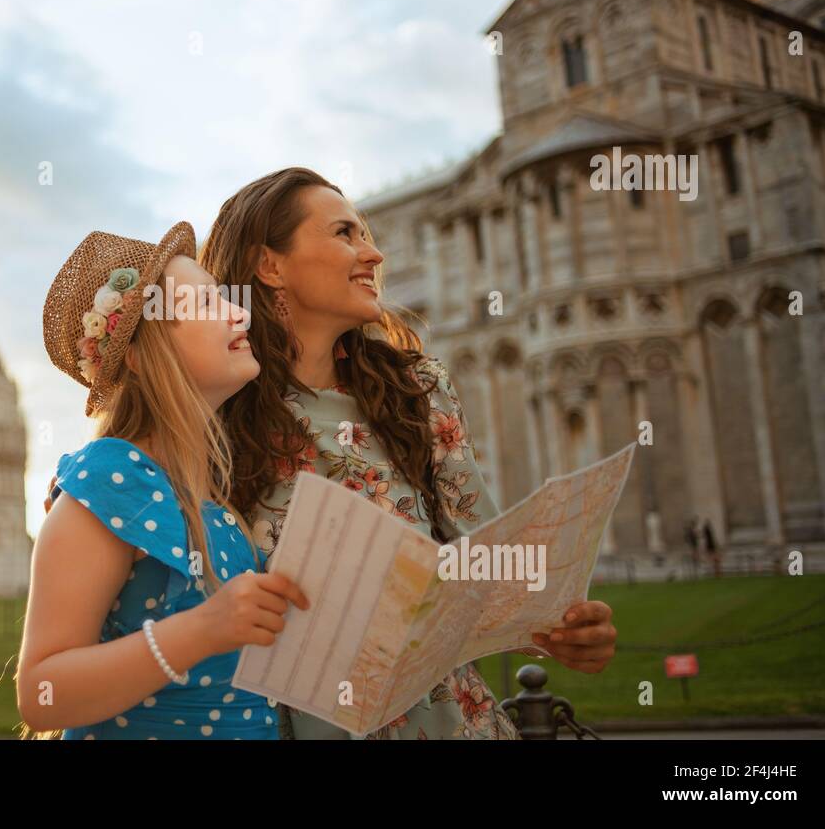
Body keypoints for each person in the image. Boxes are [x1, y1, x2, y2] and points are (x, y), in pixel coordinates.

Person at [200, 167, 620, 739]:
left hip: (443, 718)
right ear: (269, 265)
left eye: (367, 235)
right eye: (345, 234)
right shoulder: (211, 415)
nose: (373, 254)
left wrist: (563, 629)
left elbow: (484, 558)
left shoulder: (420, 390)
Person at [18, 222, 309, 739]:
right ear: (139, 354)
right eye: (204, 304)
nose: (239, 313)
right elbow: (42, 692)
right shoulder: (110, 479)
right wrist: (202, 629)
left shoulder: (213, 498)